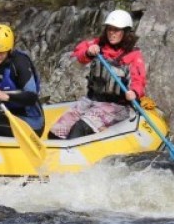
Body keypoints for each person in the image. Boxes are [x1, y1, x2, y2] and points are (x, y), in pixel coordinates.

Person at [49, 9, 146, 139]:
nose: (112, 33)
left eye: (116, 30)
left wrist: (134, 92)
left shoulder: (133, 55)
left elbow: (139, 79)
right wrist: (88, 52)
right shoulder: (98, 45)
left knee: (80, 128)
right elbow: (78, 53)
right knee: (57, 131)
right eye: (109, 29)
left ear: (126, 32)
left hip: (117, 106)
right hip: (92, 100)